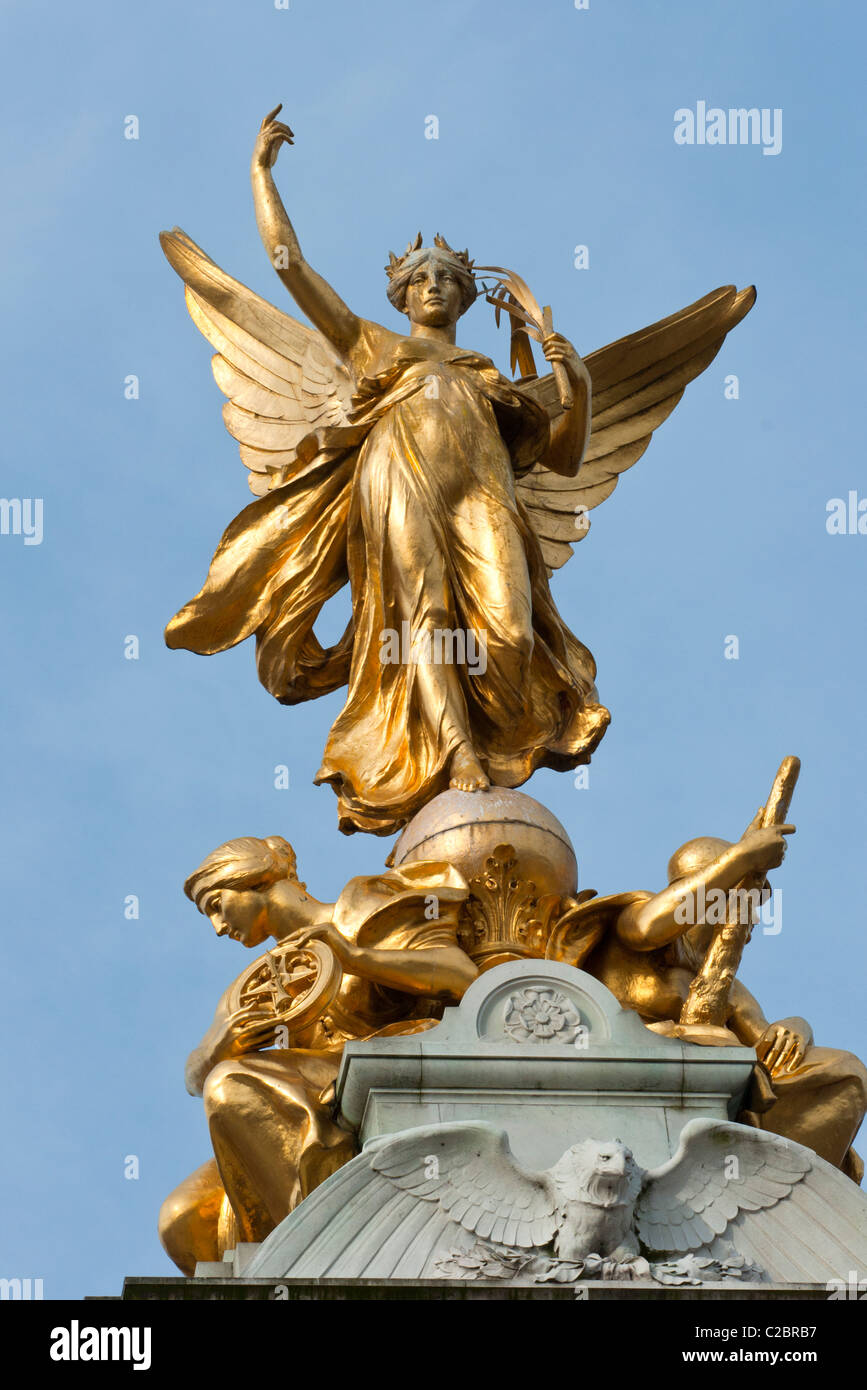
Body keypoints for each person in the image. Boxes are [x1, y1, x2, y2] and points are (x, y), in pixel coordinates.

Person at [165, 106, 609, 834]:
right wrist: (260, 175)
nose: (432, 283)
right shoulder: (373, 348)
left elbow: (562, 460)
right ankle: (456, 749)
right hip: (398, 480)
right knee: (422, 617)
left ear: (464, 298)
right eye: (418, 277)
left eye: (446, 278)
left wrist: (580, 388)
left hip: (484, 490)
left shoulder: (486, 373)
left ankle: (499, 737)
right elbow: (289, 267)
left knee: (509, 633)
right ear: (400, 295)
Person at [158, 834, 475, 1274]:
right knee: (184, 1218)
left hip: (374, 1067)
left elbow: (462, 977)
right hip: (300, 1088)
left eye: (216, 905)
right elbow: (195, 1075)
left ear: (252, 880)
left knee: (229, 1085)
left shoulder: (362, 905)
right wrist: (219, 1046)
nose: (217, 927)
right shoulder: (262, 982)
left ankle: (322, 1252)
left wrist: (355, 956)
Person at [573, 827, 866, 1180]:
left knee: (844, 1072)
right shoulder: (633, 928)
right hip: (621, 1077)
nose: (754, 918)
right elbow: (650, 926)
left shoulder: (728, 986)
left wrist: (798, 1026)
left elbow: (764, 1044)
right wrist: (744, 857)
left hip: (706, 1093)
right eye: (746, 902)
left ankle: (784, 1189)